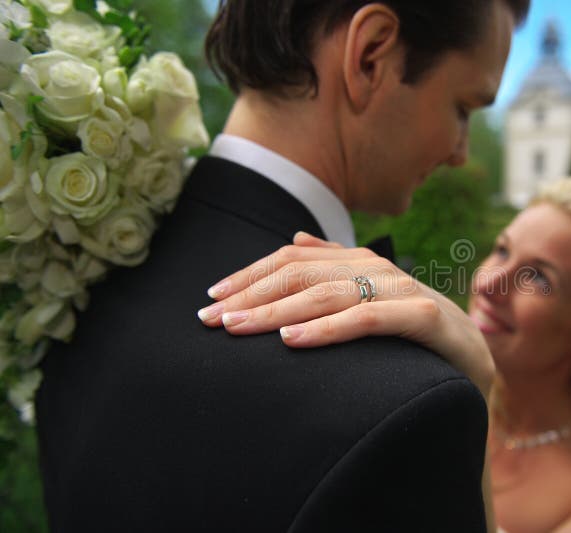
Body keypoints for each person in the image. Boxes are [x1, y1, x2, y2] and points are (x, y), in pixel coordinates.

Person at [35, 1, 530, 531]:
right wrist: (476, 381)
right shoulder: (409, 406)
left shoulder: (70, 274)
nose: (461, 152)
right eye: (463, 107)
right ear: (370, 56)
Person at [201, 177, 571, 532]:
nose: (490, 283)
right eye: (503, 249)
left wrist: (476, 383)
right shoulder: (420, 386)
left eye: (539, 277)